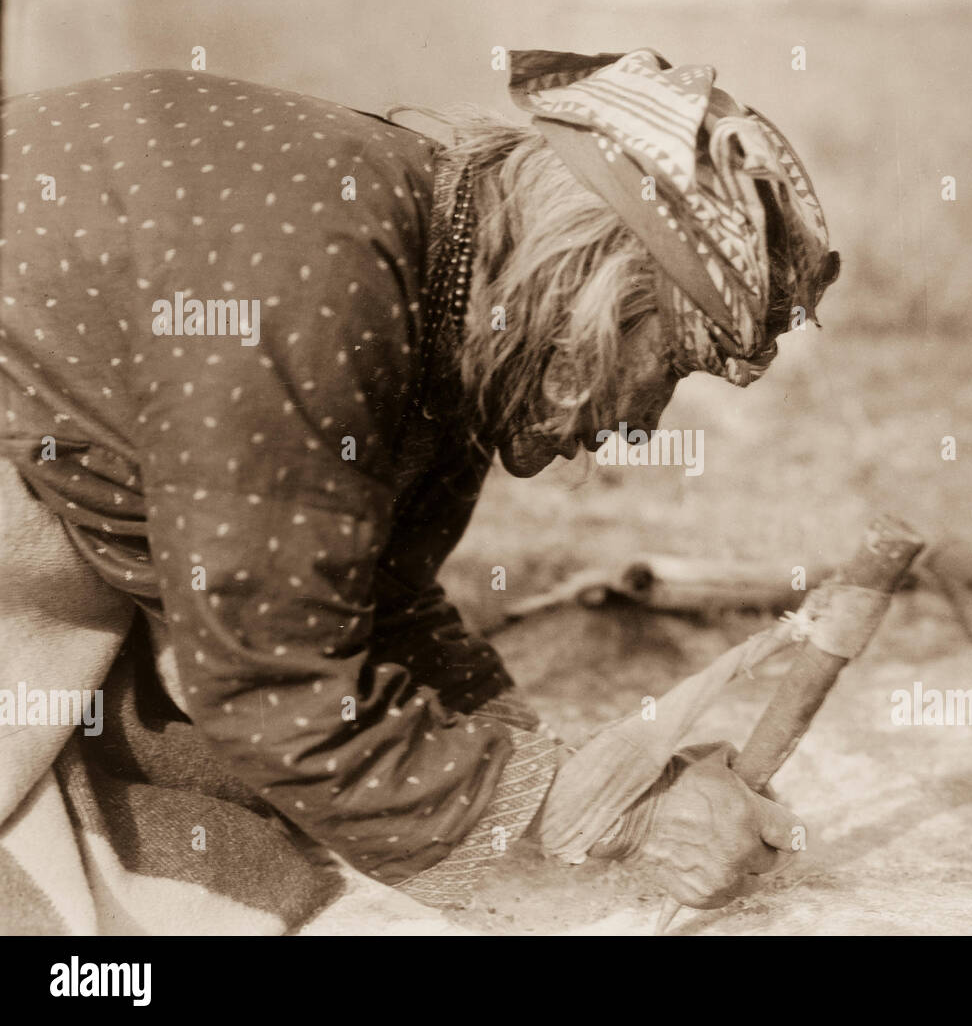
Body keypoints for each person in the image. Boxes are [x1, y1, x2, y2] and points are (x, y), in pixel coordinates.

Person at [0, 48, 840, 927]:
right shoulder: (314, 284)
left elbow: (370, 598)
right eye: (668, 364)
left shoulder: (461, 279)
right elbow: (276, 684)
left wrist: (571, 774)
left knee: (248, 790)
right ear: (596, 288)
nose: (642, 422)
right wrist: (609, 818)